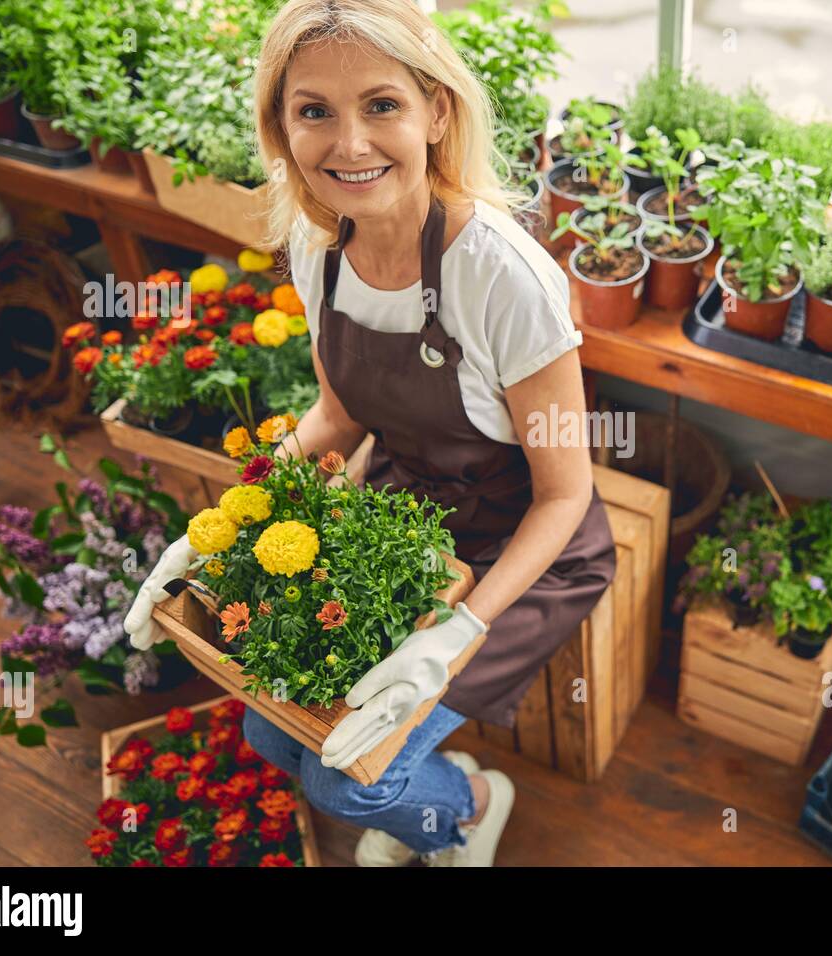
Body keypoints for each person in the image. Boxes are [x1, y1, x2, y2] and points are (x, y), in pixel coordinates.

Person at [124, 0, 616, 867]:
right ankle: (429, 799)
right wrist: (224, 526)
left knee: (346, 783)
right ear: (282, 129)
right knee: (276, 733)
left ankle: (466, 807)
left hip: (523, 553)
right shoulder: (320, 252)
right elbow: (338, 418)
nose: (349, 144)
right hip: (398, 527)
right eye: (314, 110)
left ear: (436, 112)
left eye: (381, 105)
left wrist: (455, 635)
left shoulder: (503, 277)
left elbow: (566, 495)